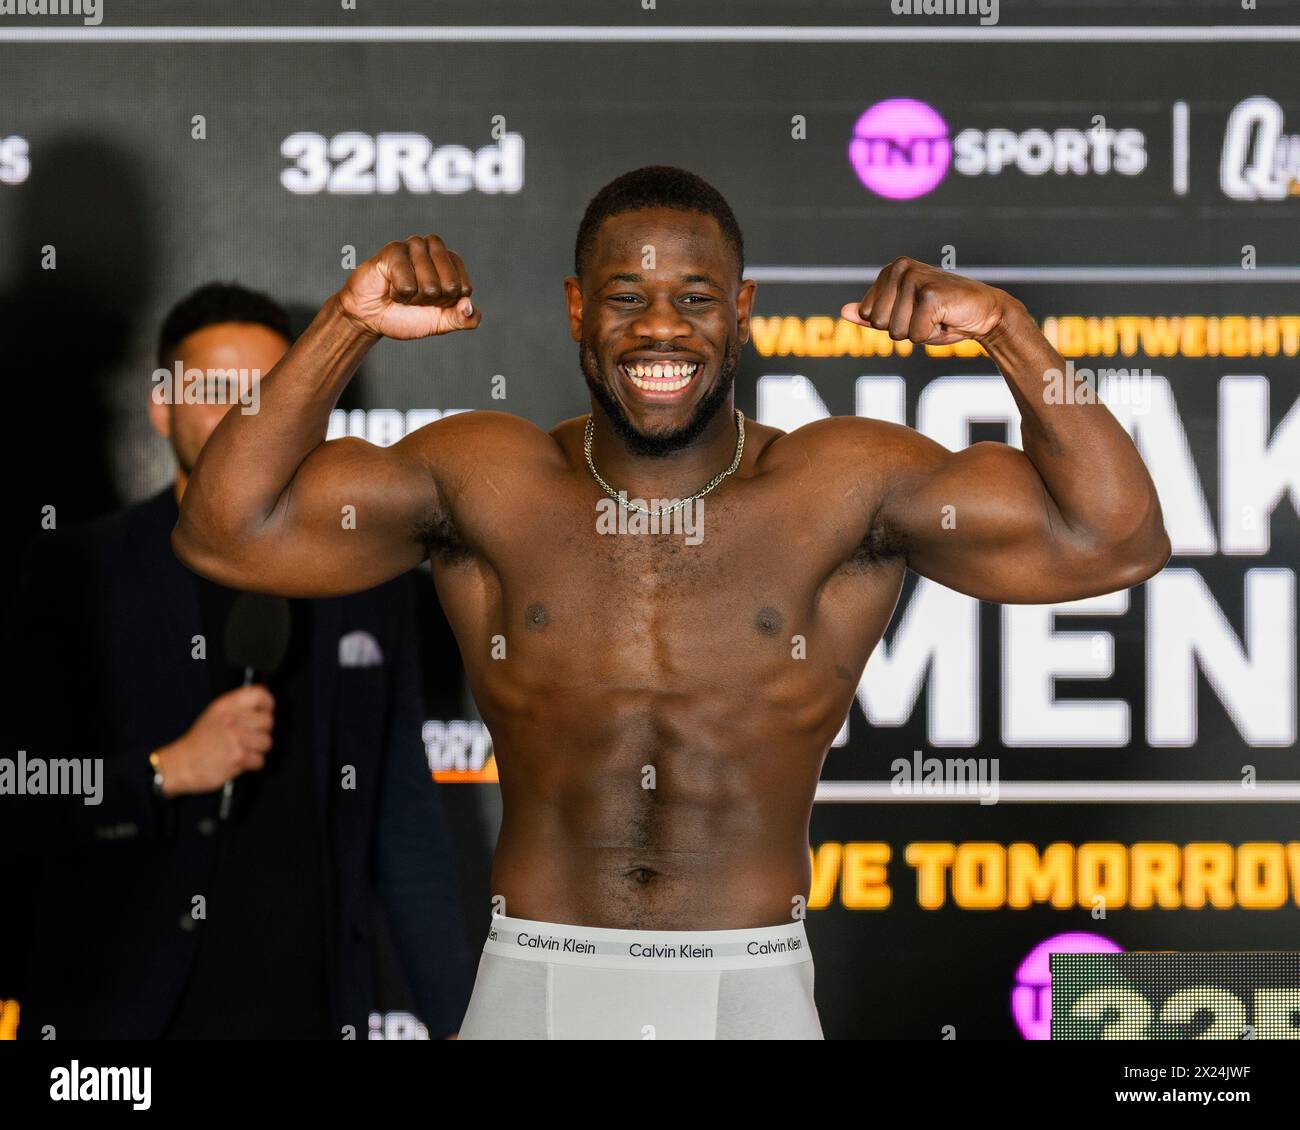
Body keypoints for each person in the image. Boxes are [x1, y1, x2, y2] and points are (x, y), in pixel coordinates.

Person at [171, 167, 1170, 1040]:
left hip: (749, 982)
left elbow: (1116, 539)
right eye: (625, 295)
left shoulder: (843, 483)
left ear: (741, 310)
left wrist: (1006, 329)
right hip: (534, 975)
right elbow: (227, 528)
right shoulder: (485, 477)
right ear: (573, 308)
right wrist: (347, 322)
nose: (659, 327)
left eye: (694, 298)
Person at [3, 283, 470, 1040]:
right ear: (161, 405)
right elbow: (16, 788)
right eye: (216, 389)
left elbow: (400, 813)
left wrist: (455, 1016)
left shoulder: (368, 578)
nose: (246, 414)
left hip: (311, 1014)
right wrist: (163, 770)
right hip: (120, 1033)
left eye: (271, 390)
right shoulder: (76, 574)